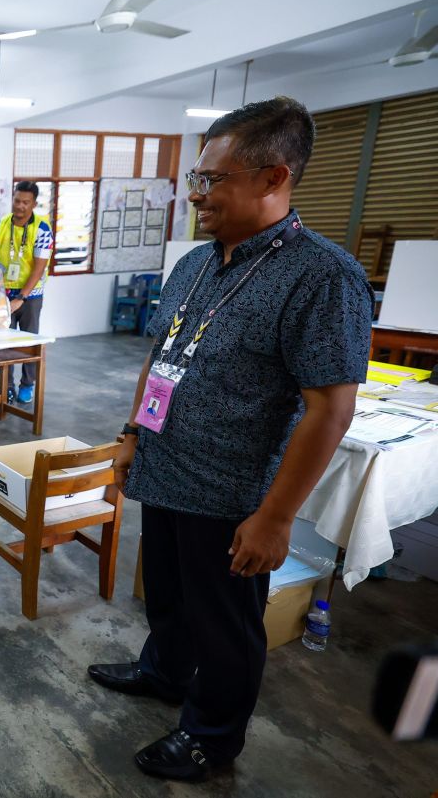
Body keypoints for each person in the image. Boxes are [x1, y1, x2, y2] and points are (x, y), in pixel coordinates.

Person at [89, 97, 373, 782]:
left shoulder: (321, 276)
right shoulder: (195, 262)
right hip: (163, 466)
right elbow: (160, 358)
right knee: (169, 594)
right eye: (197, 176)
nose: (196, 193)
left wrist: (274, 519)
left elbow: (331, 409)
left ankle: (212, 736)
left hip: (231, 492)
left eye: (213, 179)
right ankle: (163, 669)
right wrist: (132, 434)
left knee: (226, 625)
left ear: (274, 178)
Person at [0, 180, 53, 405]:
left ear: (34, 204)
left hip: (30, 295)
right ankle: (4, 386)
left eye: (25, 202)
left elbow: (39, 267)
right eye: (17, 201)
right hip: (3, 293)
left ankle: (27, 385)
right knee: (1, 343)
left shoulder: (42, 229)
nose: (20, 206)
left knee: (29, 342)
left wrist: (21, 297)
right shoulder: (1, 225)